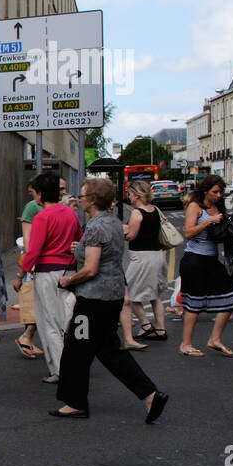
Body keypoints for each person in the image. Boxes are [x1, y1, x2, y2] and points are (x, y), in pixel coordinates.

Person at [50, 178, 169, 422]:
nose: (79, 199)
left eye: (82, 196)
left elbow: (91, 269)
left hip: (93, 299)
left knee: (75, 349)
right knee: (110, 351)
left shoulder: (94, 227)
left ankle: (75, 403)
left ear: (92, 200)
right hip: (112, 295)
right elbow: (104, 256)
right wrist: (81, 248)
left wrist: (68, 281)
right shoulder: (114, 222)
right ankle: (150, 395)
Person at [15, 172, 77, 383]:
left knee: (49, 322)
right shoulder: (70, 214)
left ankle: (60, 370)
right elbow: (78, 241)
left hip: (47, 272)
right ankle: (68, 365)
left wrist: (20, 274)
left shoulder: (42, 217)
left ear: (41, 194)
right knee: (64, 320)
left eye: (35, 193)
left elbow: (34, 250)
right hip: (68, 271)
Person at [178, 174, 233, 357]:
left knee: (231, 298)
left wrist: (227, 223)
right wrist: (208, 221)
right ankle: (186, 344)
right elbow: (188, 233)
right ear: (206, 190)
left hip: (211, 261)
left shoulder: (218, 207)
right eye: (215, 191)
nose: (218, 195)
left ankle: (214, 340)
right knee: (194, 304)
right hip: (194, 260)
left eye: (221, 192)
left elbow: (220, 234)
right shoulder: (195, 206)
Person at [121, 180, 167, 347]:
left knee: (129, 294)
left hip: (141, 257)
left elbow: (131, 236)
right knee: (155, 296)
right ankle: (161, 330)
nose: (129, 197)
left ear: (137, 195)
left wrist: (123, 230)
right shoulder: (154, 210)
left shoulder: (137, 213)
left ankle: (146, 325)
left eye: (130, 194)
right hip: (157, 255)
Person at [15, 182, 46, 359]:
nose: (64, 192)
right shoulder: (32, 207)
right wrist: (28, 265)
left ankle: (28, 338)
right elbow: (28, 239)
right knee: (38, 302)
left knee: (41, 302)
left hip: (46, 263)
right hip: (38, 263)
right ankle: (27, 337)